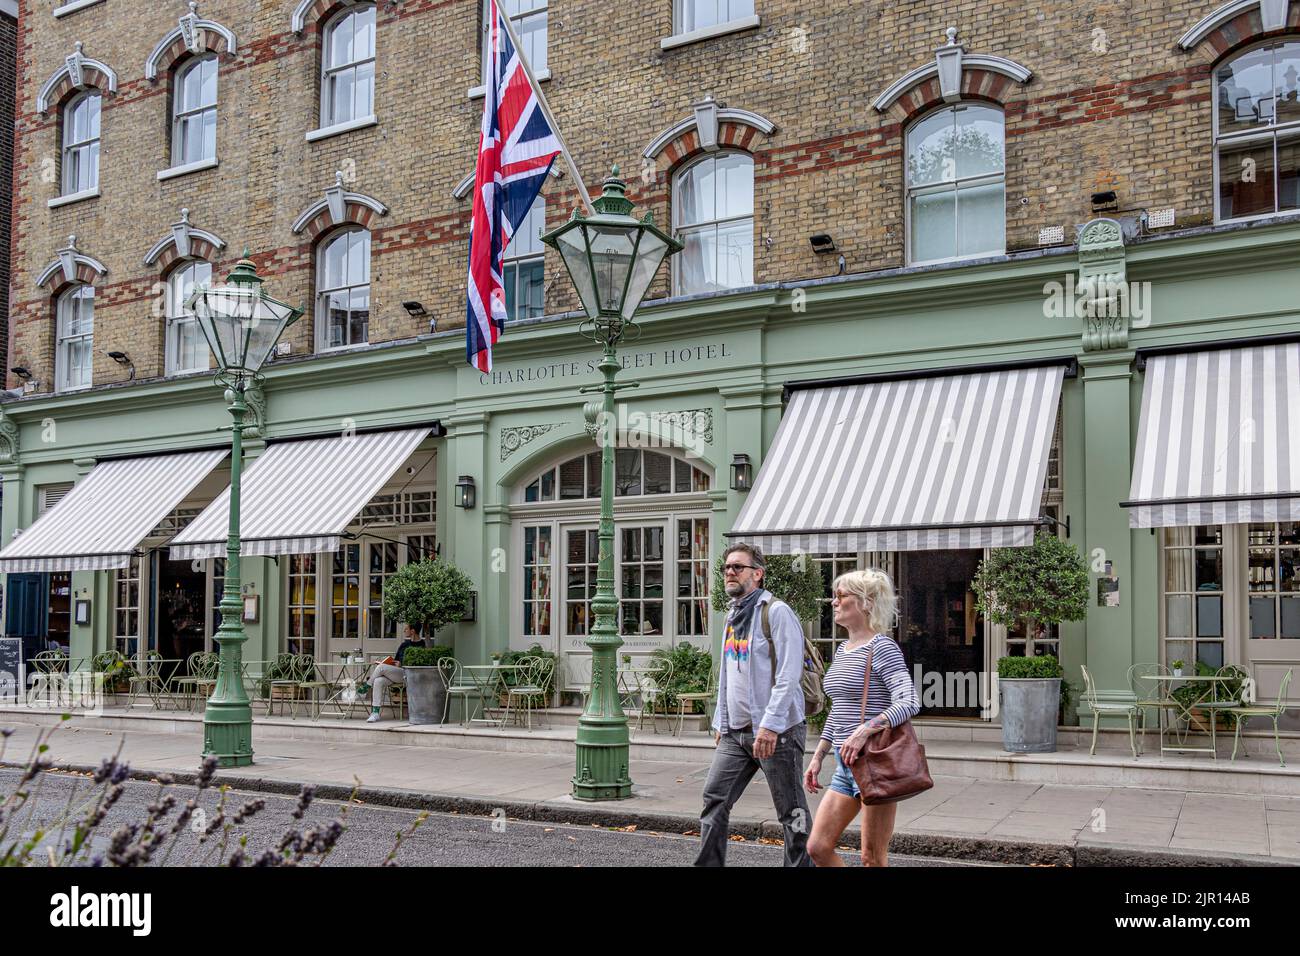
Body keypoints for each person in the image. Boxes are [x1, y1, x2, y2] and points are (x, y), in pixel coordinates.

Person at [695, 543, 811, 867]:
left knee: (792, 811)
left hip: (778, 733)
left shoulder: (776, 612)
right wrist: (722, 720)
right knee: (714, 798)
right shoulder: (733, 616)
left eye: (738, 567)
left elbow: (789, 674)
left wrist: (770, 726)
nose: (730, 572)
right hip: (736, 734)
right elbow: (727, 674)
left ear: (757, 574)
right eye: (726, 568)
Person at [805, 569, 920, 867]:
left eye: (841, 596)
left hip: (874, 763)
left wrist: (864, 731)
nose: (833, 602)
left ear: (866, 603)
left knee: (872, 858)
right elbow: (840, 709)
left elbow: (909, 700)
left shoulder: (882, 648)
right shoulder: (843, 650)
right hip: (845, 764)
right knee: (818, 847)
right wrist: (819, 755)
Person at [365, 623, 425, 723]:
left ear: (413, 631)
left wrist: (402, 664)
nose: (404, 631)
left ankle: (367, 685)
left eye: (406, 629)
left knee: (381, 668)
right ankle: (375, 713)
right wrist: (394, 663)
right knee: (378, 681)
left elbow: (419, 664)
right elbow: (395, 660)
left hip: (409, 676)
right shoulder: (404, 645)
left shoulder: (422, 646)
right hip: (398, 674)